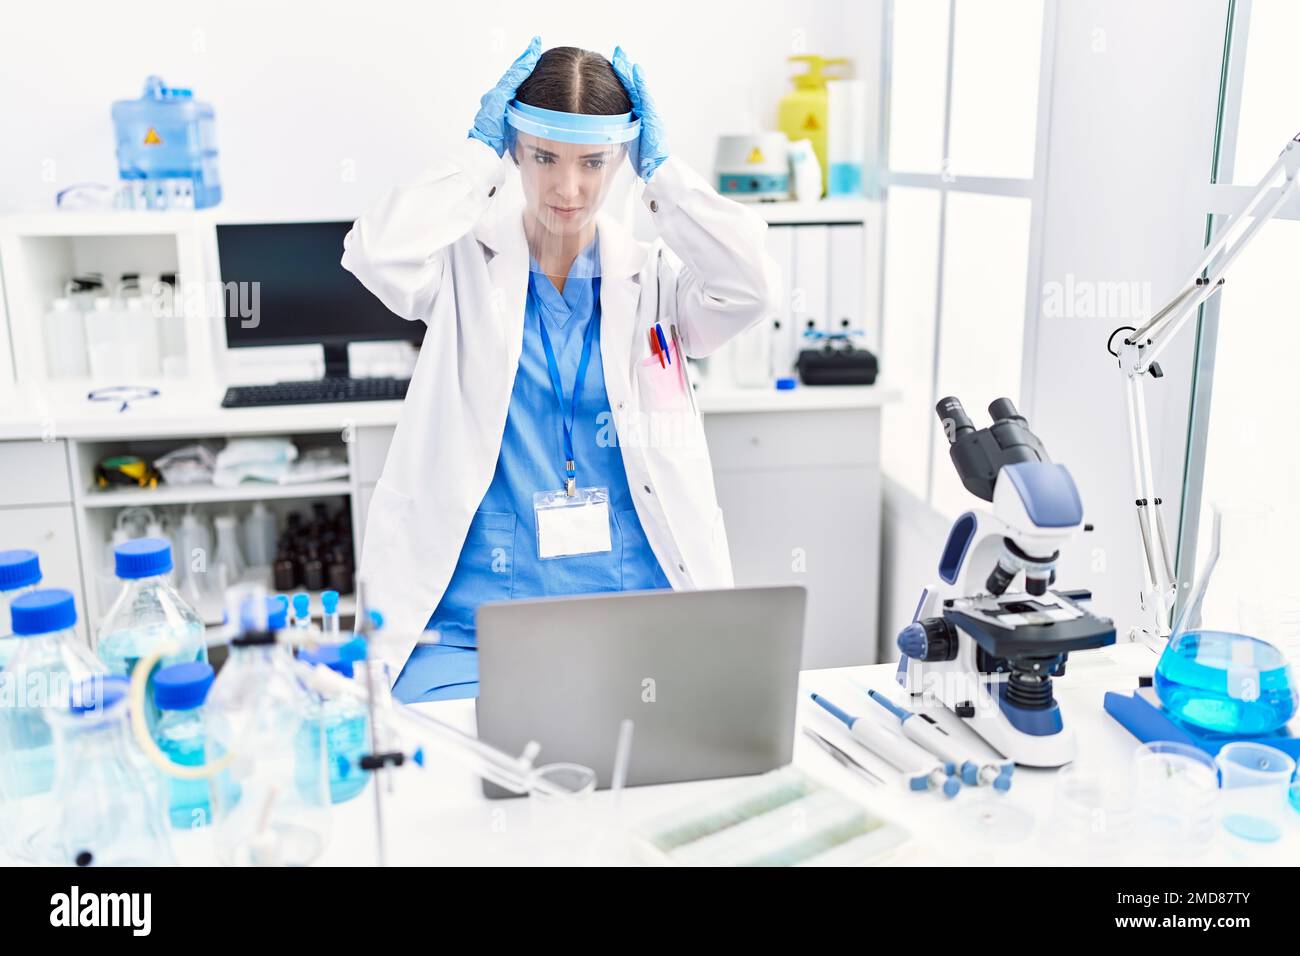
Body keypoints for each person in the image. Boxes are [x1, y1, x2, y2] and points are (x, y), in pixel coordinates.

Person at [342, 39, 781, 702]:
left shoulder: (655, 281)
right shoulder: (464, 270)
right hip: (473, 630)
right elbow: (375, 252)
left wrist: (663, 173)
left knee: (661, 779)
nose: (567, 188)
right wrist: (476, 154)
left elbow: (752, 287)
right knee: (454, 784)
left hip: (637, 615)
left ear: (622, 161)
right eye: (544, 156)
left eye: (593, 163)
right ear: (515, 148)